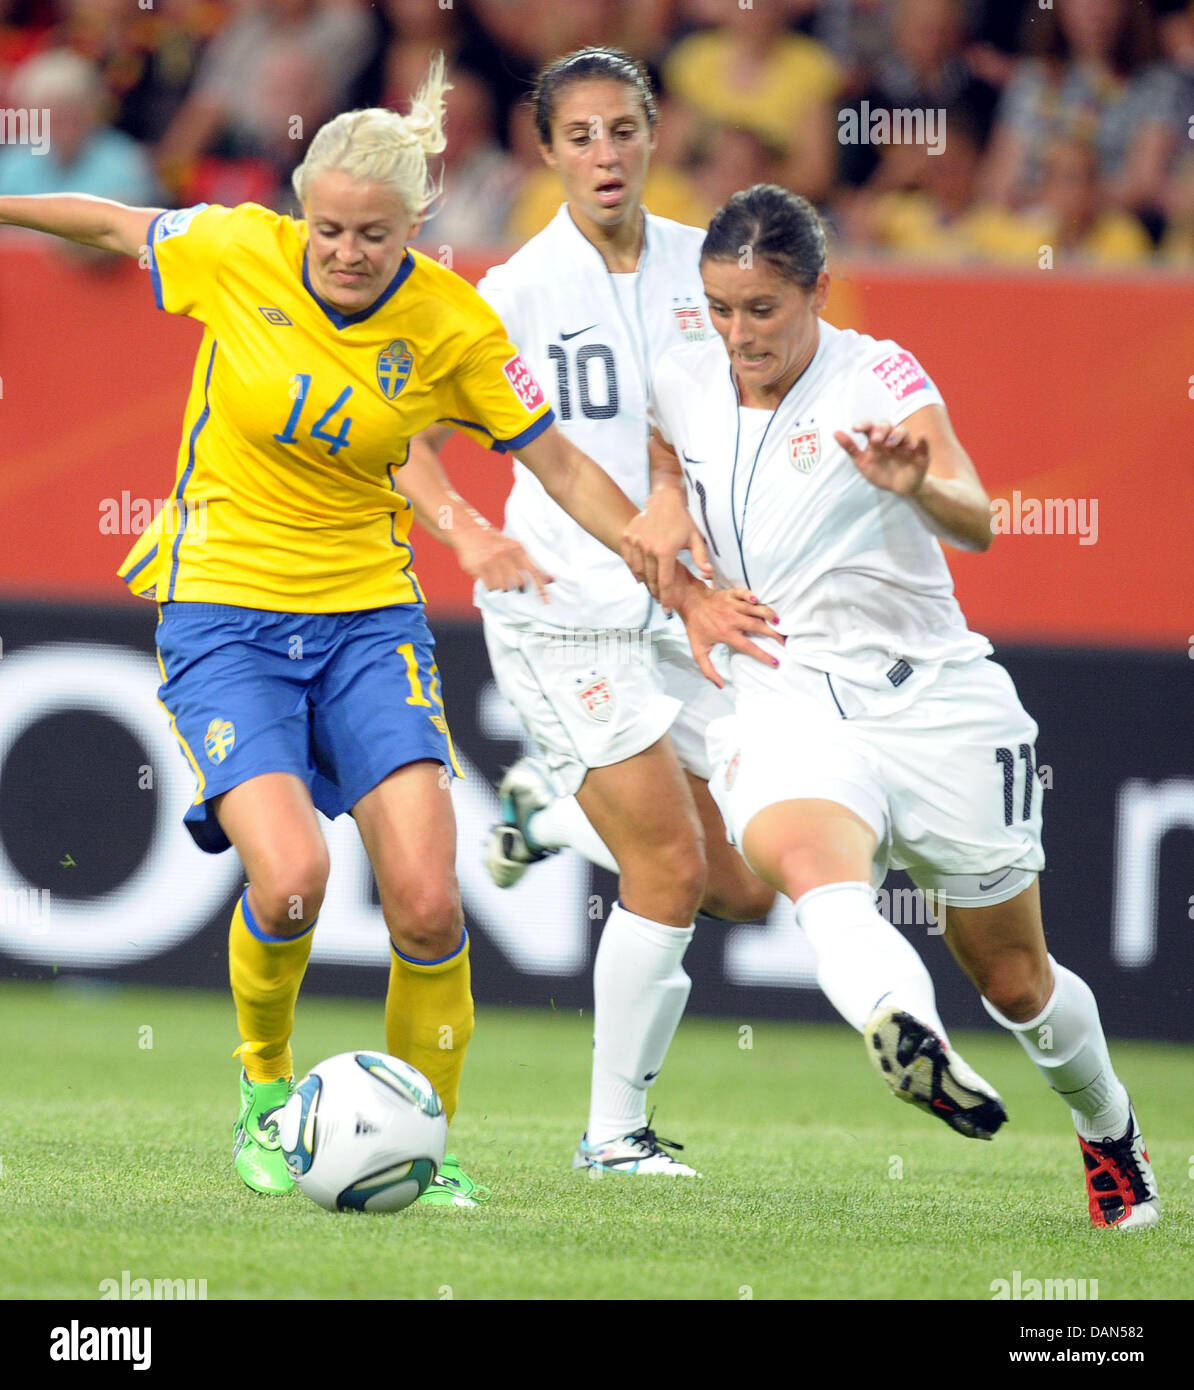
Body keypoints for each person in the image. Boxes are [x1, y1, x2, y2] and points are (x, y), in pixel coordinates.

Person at [0, 56, 779, 1206]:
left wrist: (659, 570)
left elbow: (556, 457)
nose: (346, 253)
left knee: (424, 897)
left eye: (373, 235)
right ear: (300, 216)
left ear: (415, 226)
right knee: (297, 880)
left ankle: (427, 1138)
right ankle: (267, 1095)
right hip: (224, 608)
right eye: (327, 230)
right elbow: (114, 225)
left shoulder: (455, 323)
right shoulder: (234, 252)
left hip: (369, 618)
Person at [623, 183, 1160, 1230]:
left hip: (935, 704)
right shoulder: (684, 374)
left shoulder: (879, 377)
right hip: (782, 692)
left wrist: (918, 483)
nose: (739, 333)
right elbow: (663, 438)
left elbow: (977, 520)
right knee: (815, 866)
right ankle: (904, 1029)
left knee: (1016, 980)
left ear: (818, 292)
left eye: (763, 309)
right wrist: (663, 497)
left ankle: (1109, 1131)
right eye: (721, 308)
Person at [400, 47, 777, 1176]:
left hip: (681, 603)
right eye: (582, 136)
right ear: (547, 151)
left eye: (623, 130)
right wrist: (469, 531)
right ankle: (613, 1135)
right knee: (665, 869)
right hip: (567, 611)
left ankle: (540, 816)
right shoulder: (510, 293)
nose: (606, 154)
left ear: (653, 134)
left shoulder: (705, 264)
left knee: (745, 889)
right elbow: (407, 436)